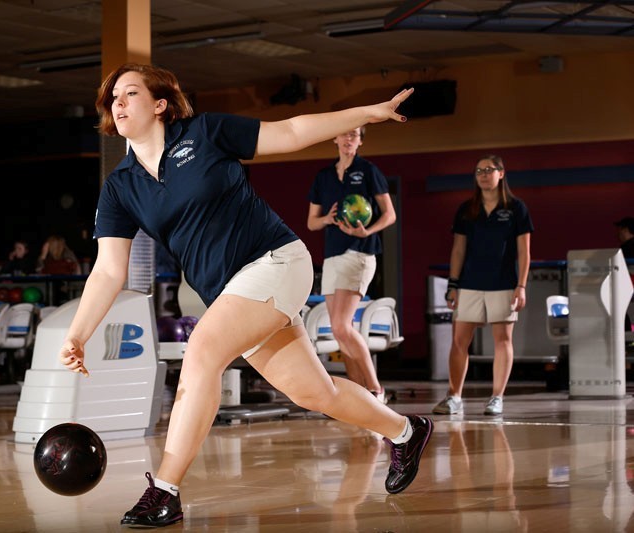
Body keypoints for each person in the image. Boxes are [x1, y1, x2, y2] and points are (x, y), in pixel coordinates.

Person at [57, 63, 433, 528]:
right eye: (113, 96)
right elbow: (108, 270)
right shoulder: (120, 187)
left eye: (130, 93)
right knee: (315, 392)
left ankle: (165, 491)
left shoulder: (205, 133)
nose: (118, 102)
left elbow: (292, 131)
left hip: (274, 261)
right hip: (231, 292)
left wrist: (366, 113)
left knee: (202, 351)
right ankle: (406, 431)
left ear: (159, 104)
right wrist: (78, 334)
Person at [432, 155, 533, 417]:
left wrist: (521, 286)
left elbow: (524, 252)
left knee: (502, 341)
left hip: (503, 284)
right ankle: (454, 397)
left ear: (501, 173)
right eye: (479, 171)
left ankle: (496, 397)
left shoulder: (516, 208)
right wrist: (453, 284)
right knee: (459, 341)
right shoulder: (467, 209)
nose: (484, 175)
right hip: (469, 284)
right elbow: (458, 249)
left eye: (489, 169)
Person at [307, 127, 397, 404]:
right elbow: (312, 222)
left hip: (358, 252)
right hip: (332, 256)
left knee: (342, 326)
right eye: (344, 134)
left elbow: (389, 215)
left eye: (355, 135)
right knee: (339, 330)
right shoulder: (323, 176)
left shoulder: (368, 171)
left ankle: (376, 390)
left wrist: (367, 231)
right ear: (334, 138)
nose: (349, 139)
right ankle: (360, 396)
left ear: (360, 141)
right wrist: (328, 219)